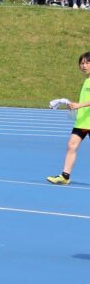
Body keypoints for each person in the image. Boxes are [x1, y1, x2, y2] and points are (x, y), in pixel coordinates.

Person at [47, 52, 90, 185]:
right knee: (71, 145)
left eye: (87, 62)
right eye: (82, 63)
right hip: (83, 121)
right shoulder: (87, 80)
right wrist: (74, 106)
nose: (84, 65)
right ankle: (65, 176)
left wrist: (80, 105)